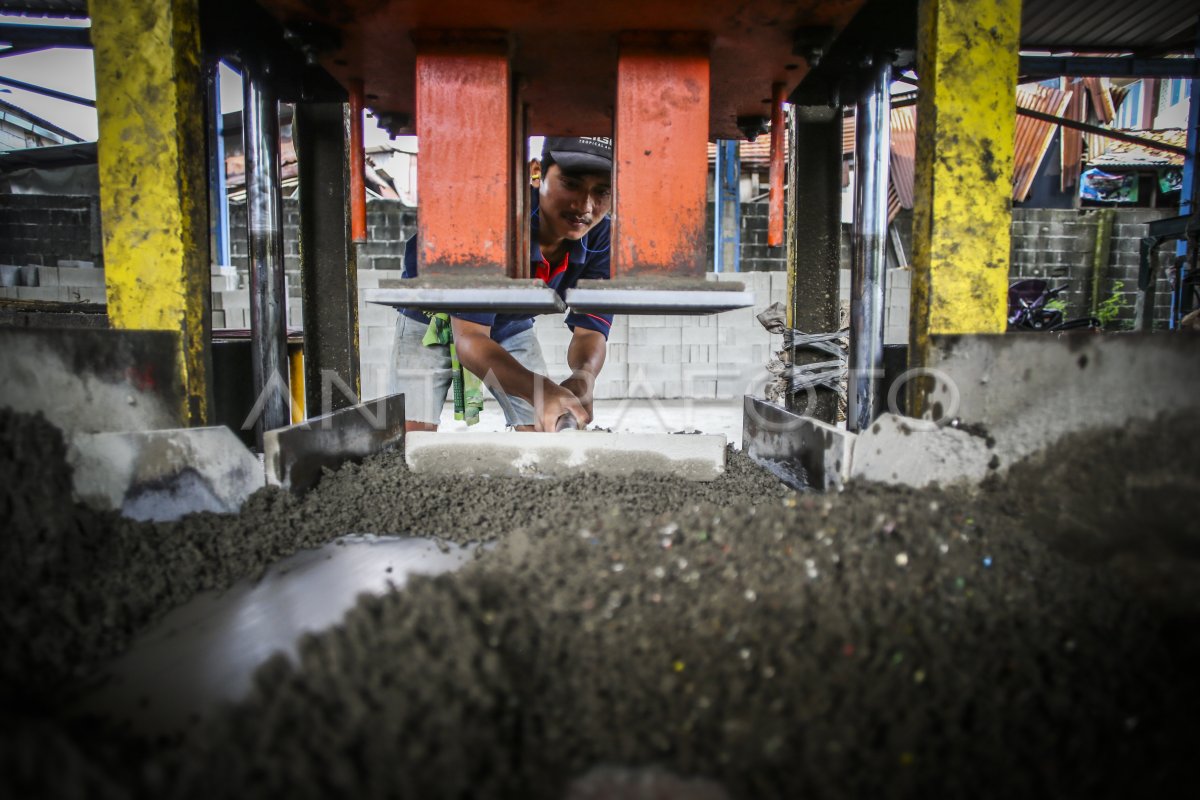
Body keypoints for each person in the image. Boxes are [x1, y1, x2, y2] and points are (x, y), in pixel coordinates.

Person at [390, 136, 614, 433]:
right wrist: (540, 391)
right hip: (430, 318)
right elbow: (470, 338)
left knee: (544, 429)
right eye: (570, 184)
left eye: (601, 192)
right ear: (537, 173)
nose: (585, 206)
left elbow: (591, 329)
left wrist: (583, 375)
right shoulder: (494, 221)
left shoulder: (601, 237)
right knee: (409, 439)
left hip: (510, 323)